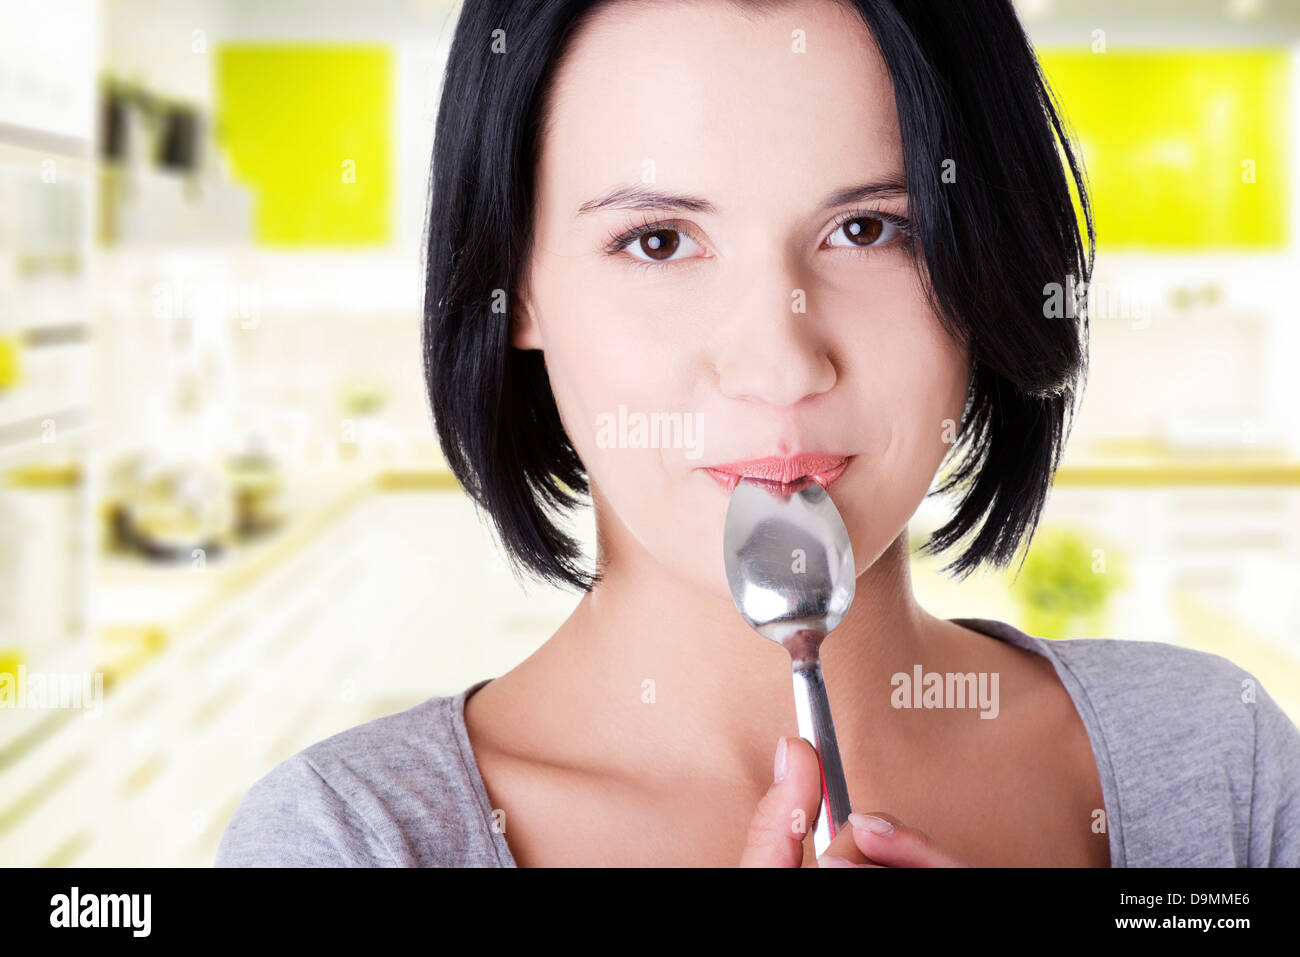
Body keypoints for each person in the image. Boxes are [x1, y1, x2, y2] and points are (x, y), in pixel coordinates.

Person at [215, 0, 1300, 867]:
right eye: (656, 241)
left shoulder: (1216, 766)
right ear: (517, 289)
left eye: (868, 230)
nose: (781, 362)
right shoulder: (347, 843)